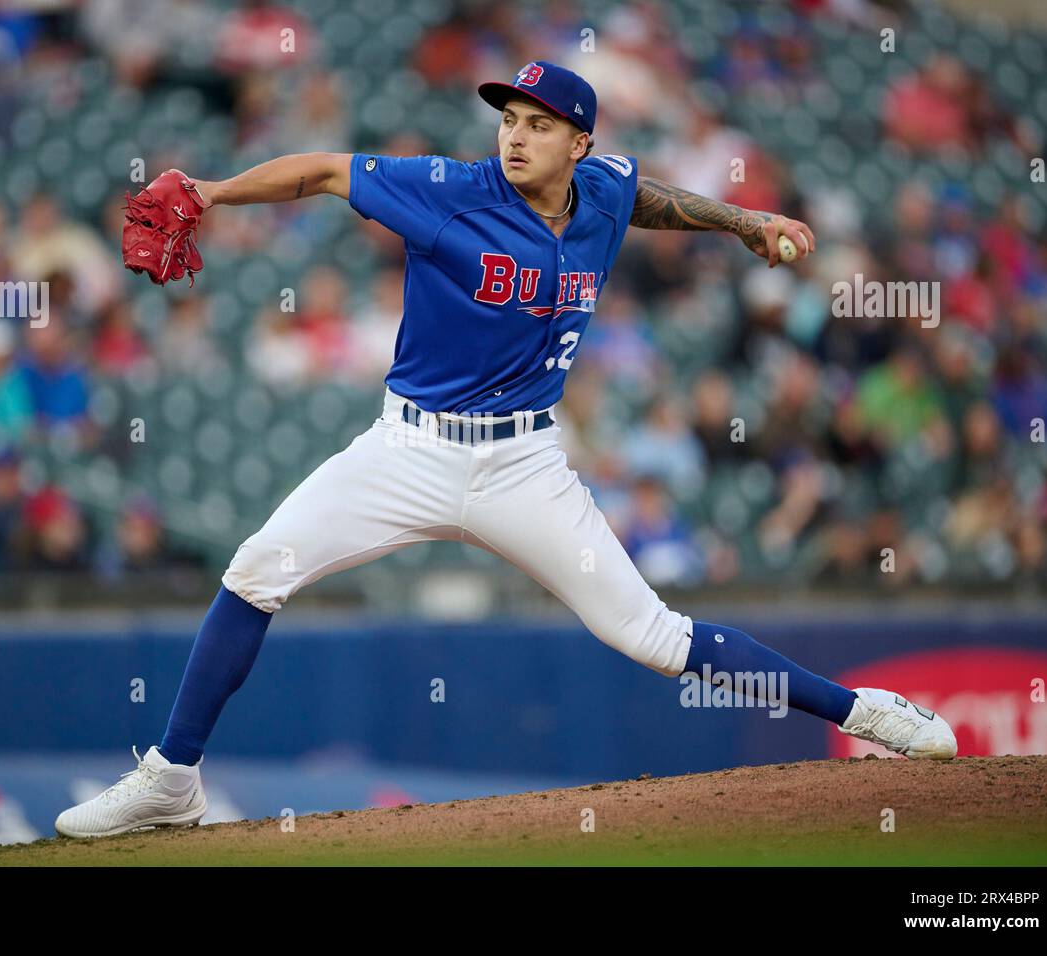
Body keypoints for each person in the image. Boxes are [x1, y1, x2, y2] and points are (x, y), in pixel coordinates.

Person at [56, 61, 956, 839]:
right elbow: (325, 171)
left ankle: (868, 711)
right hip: (406, 452)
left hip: (525, 465)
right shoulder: (451, 188)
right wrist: (211, 192)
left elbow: (646, 197)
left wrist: (743, 221)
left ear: (579, 145)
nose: (515, 138)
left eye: (538, 126)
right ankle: (172, 780)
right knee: (257, 567)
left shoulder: (600, 191)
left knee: (651, 635)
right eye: (508, 121)